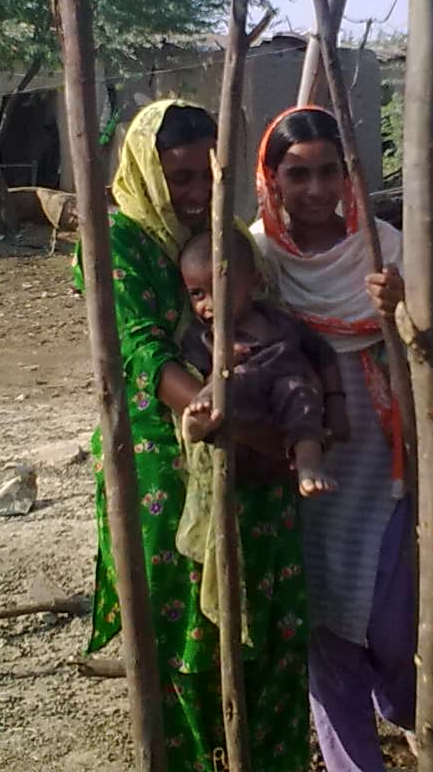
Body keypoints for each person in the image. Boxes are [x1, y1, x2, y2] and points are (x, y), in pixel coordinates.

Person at [76, 99, 310, 772]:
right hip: (163, 460)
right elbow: (139, 353)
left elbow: (279, 333)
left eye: (208, 175)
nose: (195, 193)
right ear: (147, 173)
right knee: (183, 638)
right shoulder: (115, 242)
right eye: (179, 178)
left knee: (264, 626)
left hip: (255, 454)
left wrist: (267, 431)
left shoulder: (229, 235)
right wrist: (218, 415)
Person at [251, 106, 417, 772]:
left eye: (329, 173)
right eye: (298, 175)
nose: (316, 190)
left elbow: (428, 344)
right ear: (272, 179)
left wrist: (398, 307)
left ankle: (404, 710)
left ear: (351, 177)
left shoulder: (386, 249)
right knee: (321, 612)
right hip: (299, 448)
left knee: (391, 619)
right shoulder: (259, 256)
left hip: (381, 449)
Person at [177, 228, 343, 495]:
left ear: (254, 284)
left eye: (221, 290)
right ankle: (201, 422)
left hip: (285, 396)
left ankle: (309, 466)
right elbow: (200, 370)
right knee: (231, 381)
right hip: (244, 410)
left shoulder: (279, 321)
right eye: (197, 294)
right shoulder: (205, 336)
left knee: (301, 396)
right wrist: (223, 365)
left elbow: (323, 356)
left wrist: (337, 405)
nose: (209, 305)